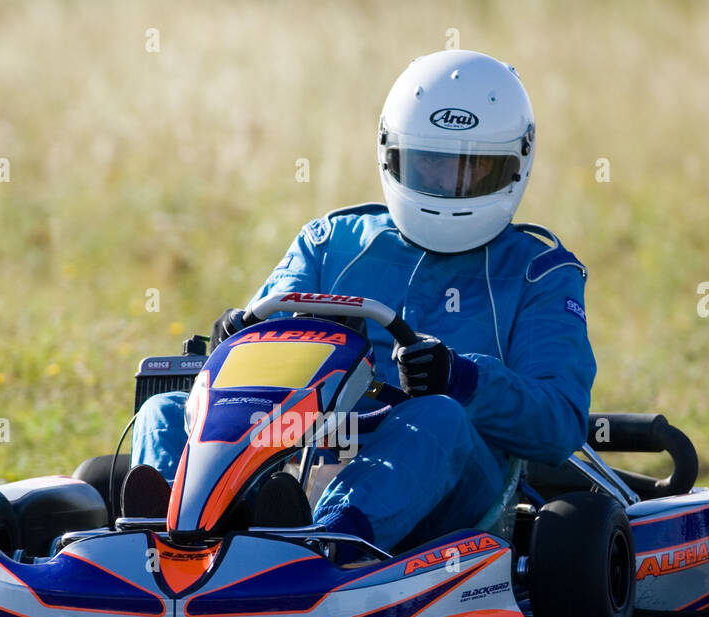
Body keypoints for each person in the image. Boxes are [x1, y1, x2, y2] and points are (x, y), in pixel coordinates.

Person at [125, 49, 596, 555]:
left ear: (514, 165)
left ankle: (324, 544)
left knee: (436, 417)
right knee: (165, 412)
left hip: (453, 481)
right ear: (392, 154)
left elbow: (559, 425)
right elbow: (258, 348)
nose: (446, 186)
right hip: (304, 449)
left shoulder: (539, 273)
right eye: (430, 162)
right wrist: (232, 337)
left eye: (473, 170)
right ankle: (161, 545)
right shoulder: (330, 242)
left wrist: (464, 378)